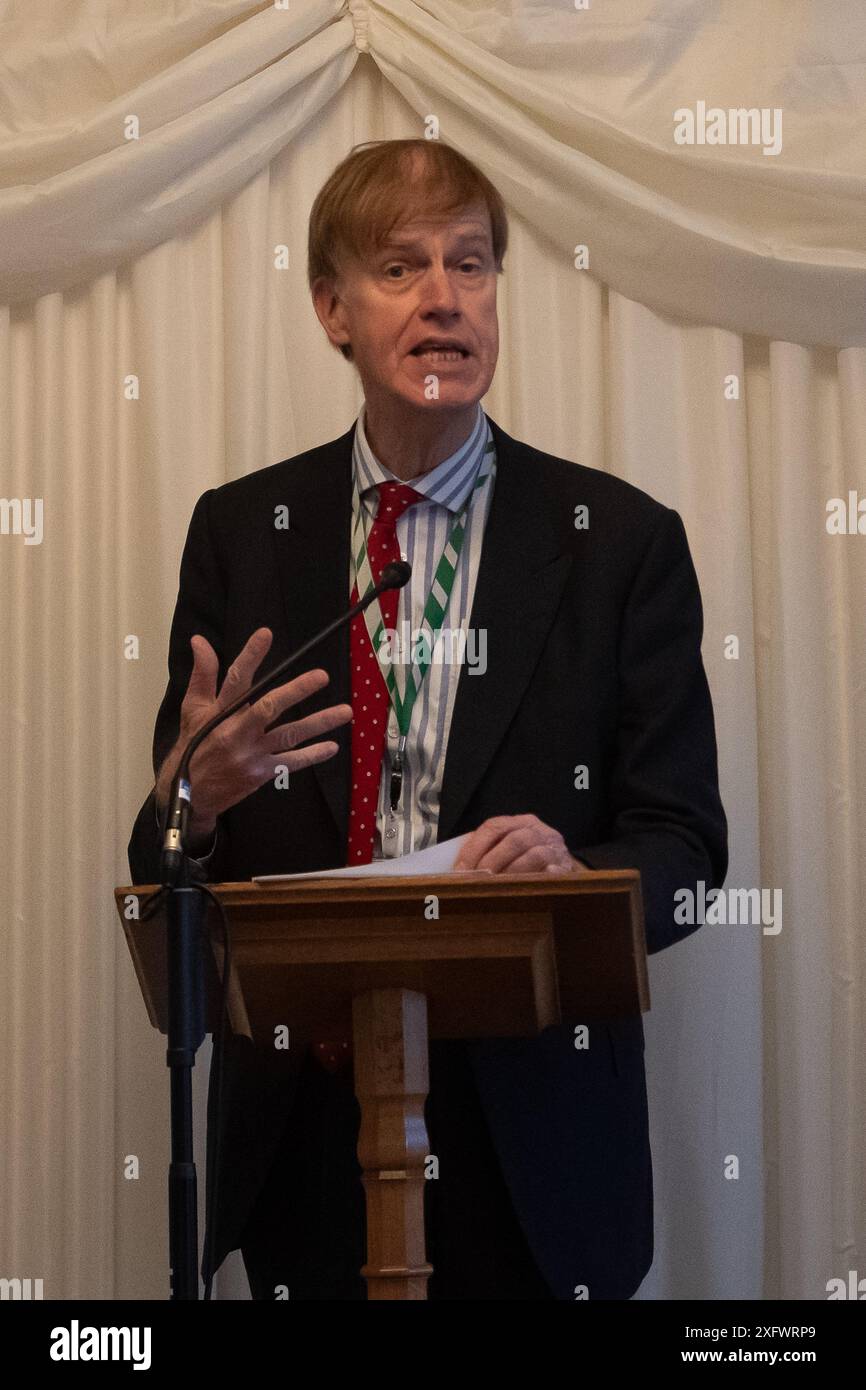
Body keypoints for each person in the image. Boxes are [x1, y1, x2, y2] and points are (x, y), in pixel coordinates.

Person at [128, 137, 727, 1300]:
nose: (444, 297)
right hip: (302, 1122)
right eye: (400, 268)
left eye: (470, 264)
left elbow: (689, 852)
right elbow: (163, 860)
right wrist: (196, 798)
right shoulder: (243, 534)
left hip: (529, 1138)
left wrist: (572, 873)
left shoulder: (617, 543)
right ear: (331, 309)